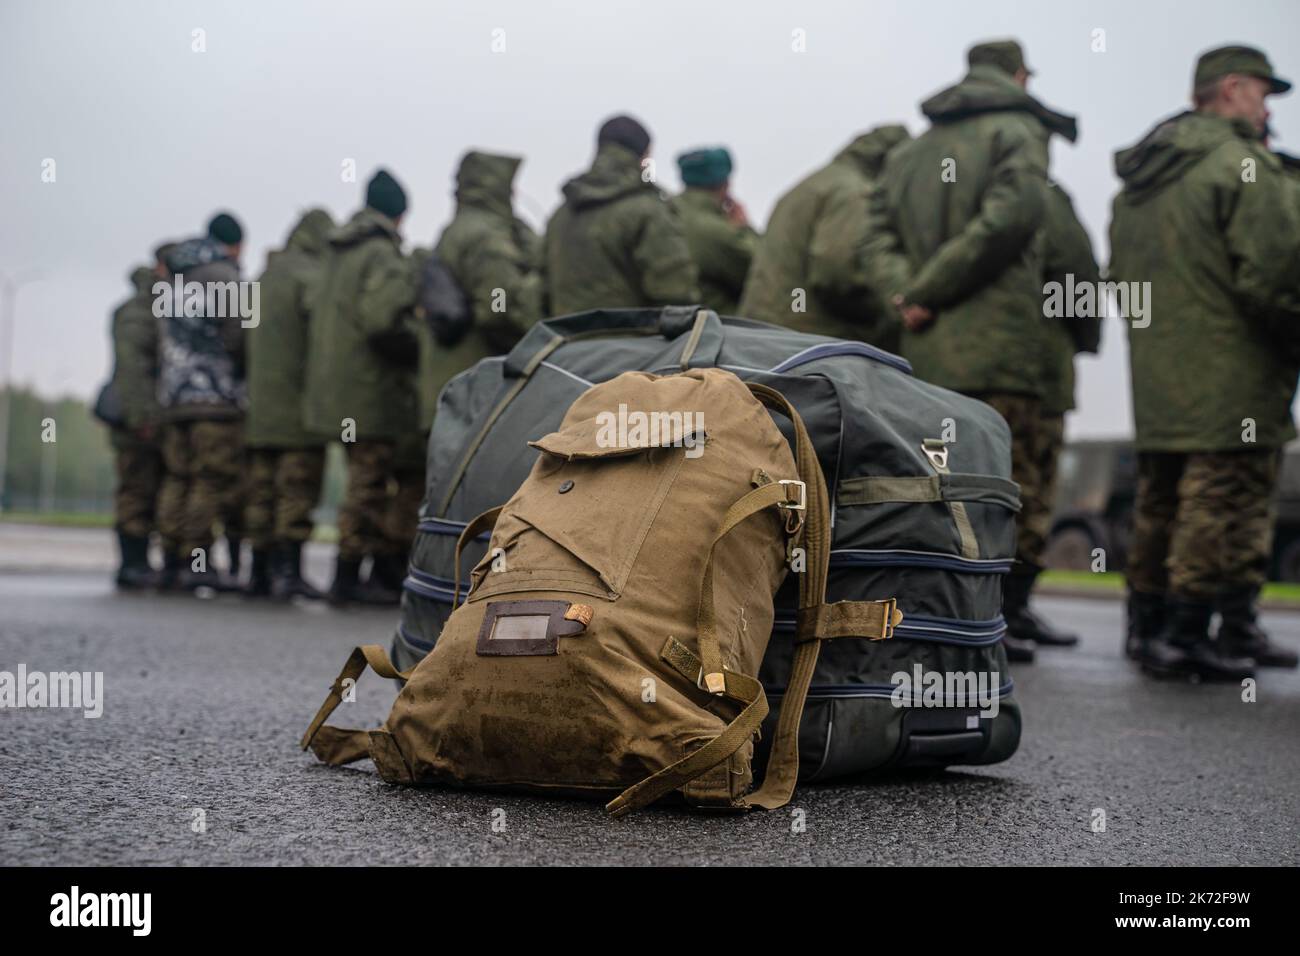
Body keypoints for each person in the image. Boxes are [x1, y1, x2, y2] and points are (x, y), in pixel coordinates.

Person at [862, 39, 1077, 663]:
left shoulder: (906, 154)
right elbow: (1013, 216)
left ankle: (937, 622)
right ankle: (997, 623)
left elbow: (873, 233)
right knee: (1012, 488)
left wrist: (908, 295)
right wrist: (929, 288)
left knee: (939, 488)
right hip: (1002, 351)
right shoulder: (1020, 129)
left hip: (926, 358)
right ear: (1017, 74)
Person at [1110, 44, 1300, 678]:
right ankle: (1197, 634)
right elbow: (1276, 275)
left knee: (1162, 499)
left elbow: (1121, 277)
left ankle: (1151, 631)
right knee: (1226, 498)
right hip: (1234, 366)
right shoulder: (1240, 164)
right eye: (1263, 93)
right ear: (1233, 88)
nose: (1266, 106)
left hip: (1161, 369)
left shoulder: (1142, 177)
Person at [303, 169, 420, 606]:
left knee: (360, 478)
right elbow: (382, 321)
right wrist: (417, 345)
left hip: (335, 388)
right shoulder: (381, 254)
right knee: (368, 484)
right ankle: (349, 580)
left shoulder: (336, 253)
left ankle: (353, 575)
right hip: (371, 387)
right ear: (399, 214)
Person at [1017, 180, 1102, 647]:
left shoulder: (938, 182)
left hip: (953, 371)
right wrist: (1087, 338)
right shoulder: (1039, 195)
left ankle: (991, 615)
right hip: (1033, 369)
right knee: (1030, 494)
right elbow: (1077, 274)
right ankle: (1010, 612)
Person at [741, 124, 910, 349]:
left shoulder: (810, 184)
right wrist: (890, 310)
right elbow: (835, 274)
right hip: (806, 338)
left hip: (762, 331)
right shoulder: (854, 192)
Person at [243, 208, 334, 600]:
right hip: (297, 407)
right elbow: (323, 336)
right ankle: (288, 574)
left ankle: (259, 574)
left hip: (260, 409)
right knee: (295, 490)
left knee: (261, 491)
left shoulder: (263, 278)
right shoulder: (309, 276)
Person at [155, 212, 249, 592]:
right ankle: (198, 563)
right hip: (215, 399)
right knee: (209, 480)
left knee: (178, 477)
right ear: (234, 244)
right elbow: (242, 338)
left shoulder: (173, 278)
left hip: (175, 396)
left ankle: (172, 561)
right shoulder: (226, 278)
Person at [543, 115, 698, 314]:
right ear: (643, 157)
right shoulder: (648, 210)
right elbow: (676, 294)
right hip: (632, 342)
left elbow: (540, 289)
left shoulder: (561, 214)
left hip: (566, 341)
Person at [104, 253, 167, 589]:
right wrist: (141, 417)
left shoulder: (155, 307)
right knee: (136, 490)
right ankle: (132, 564)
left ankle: (140, 563)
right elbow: (131, 369)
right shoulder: (140, 310)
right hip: (136, 419)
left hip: (148, 415)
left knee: (148, 489)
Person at [671, 147, 757, 315]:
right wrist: (745, 228)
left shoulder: (666, 211)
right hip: (714, 329)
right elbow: (762, 269)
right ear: (724, 183)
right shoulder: (716, 231)